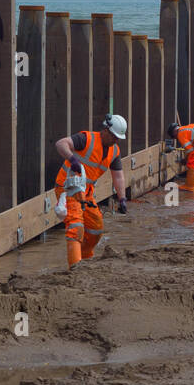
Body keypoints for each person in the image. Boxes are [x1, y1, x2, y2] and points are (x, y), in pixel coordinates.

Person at [52, 114, 128, 269]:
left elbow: (118, 176)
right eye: (114, 136)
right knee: (75, 227)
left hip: (86, 193)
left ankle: (85, 260)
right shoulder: (87, 139)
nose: (115, 140)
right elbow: (61, 144)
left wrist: (122, 199)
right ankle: (75, 269)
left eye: (118, 138)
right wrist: (72, 159)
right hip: (68, 188)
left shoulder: (114, 151)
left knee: (96, 229)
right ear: (106, 130)